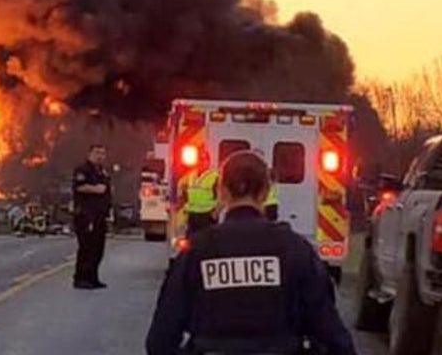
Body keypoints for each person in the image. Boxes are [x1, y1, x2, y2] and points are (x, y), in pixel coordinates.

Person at [146, 150, 356, 355]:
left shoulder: (197, 252)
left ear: (221, 192)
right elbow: (331, 334)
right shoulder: (296, 250)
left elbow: (160, 341)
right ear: (266, 192)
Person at [72, 143, 112, 289]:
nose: (100, 156)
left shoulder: (102, 172)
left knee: (98, 248)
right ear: (90, 154)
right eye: (97, 153)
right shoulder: (83, 170)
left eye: (102, 153)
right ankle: (81, 278)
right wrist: (95, 189)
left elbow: (107, 191)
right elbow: (79, 186)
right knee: (86, 247)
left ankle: (93, 278)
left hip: (100, 215)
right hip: (86, 214)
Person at [180, 146, 219, 236]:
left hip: (207, 215)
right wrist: (184, 207)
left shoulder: (215, 176)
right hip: (192, 215)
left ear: (208, 162)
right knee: (190, 243)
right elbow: (185, 192)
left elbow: (220, 196)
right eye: (199, 160)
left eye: (204, 160)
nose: (201, 162)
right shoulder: (191, 175)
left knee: (207, 243)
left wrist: (216, 211)